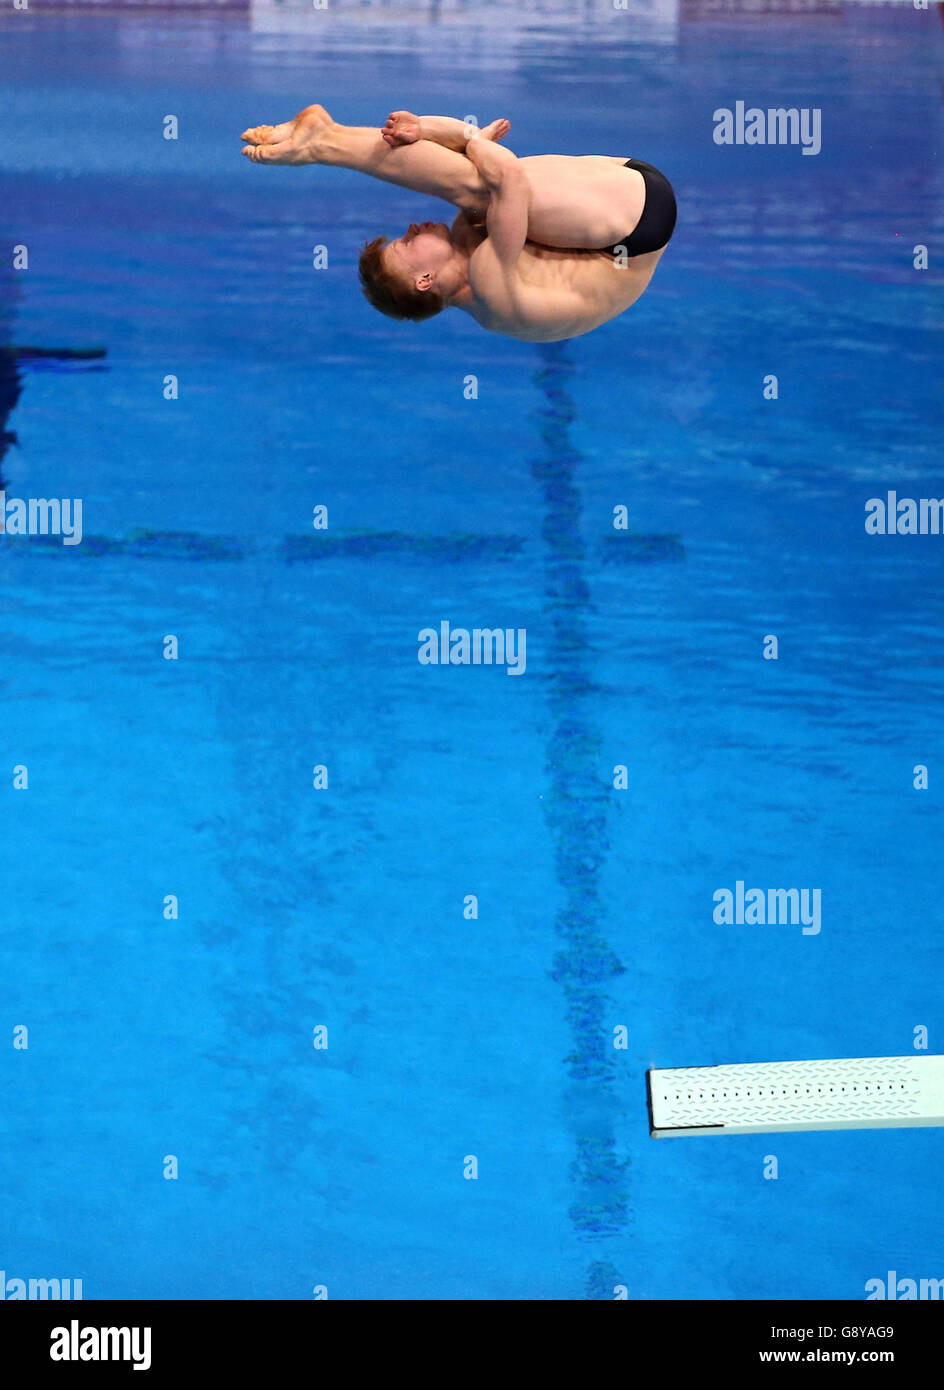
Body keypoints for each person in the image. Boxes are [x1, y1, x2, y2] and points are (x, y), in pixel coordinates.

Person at [241, 105, 676, 343]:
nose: (411, 228)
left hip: (623, 188)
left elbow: (475, 149)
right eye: (405, 245)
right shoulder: (489, 284)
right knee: (482, 188)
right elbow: (504, 173)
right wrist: (460, 138)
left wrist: (425, 128)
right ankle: (323, 143)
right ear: (426, 280)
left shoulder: (471, 247)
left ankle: (325, 135)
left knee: (475, 180)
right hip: (637, 223)